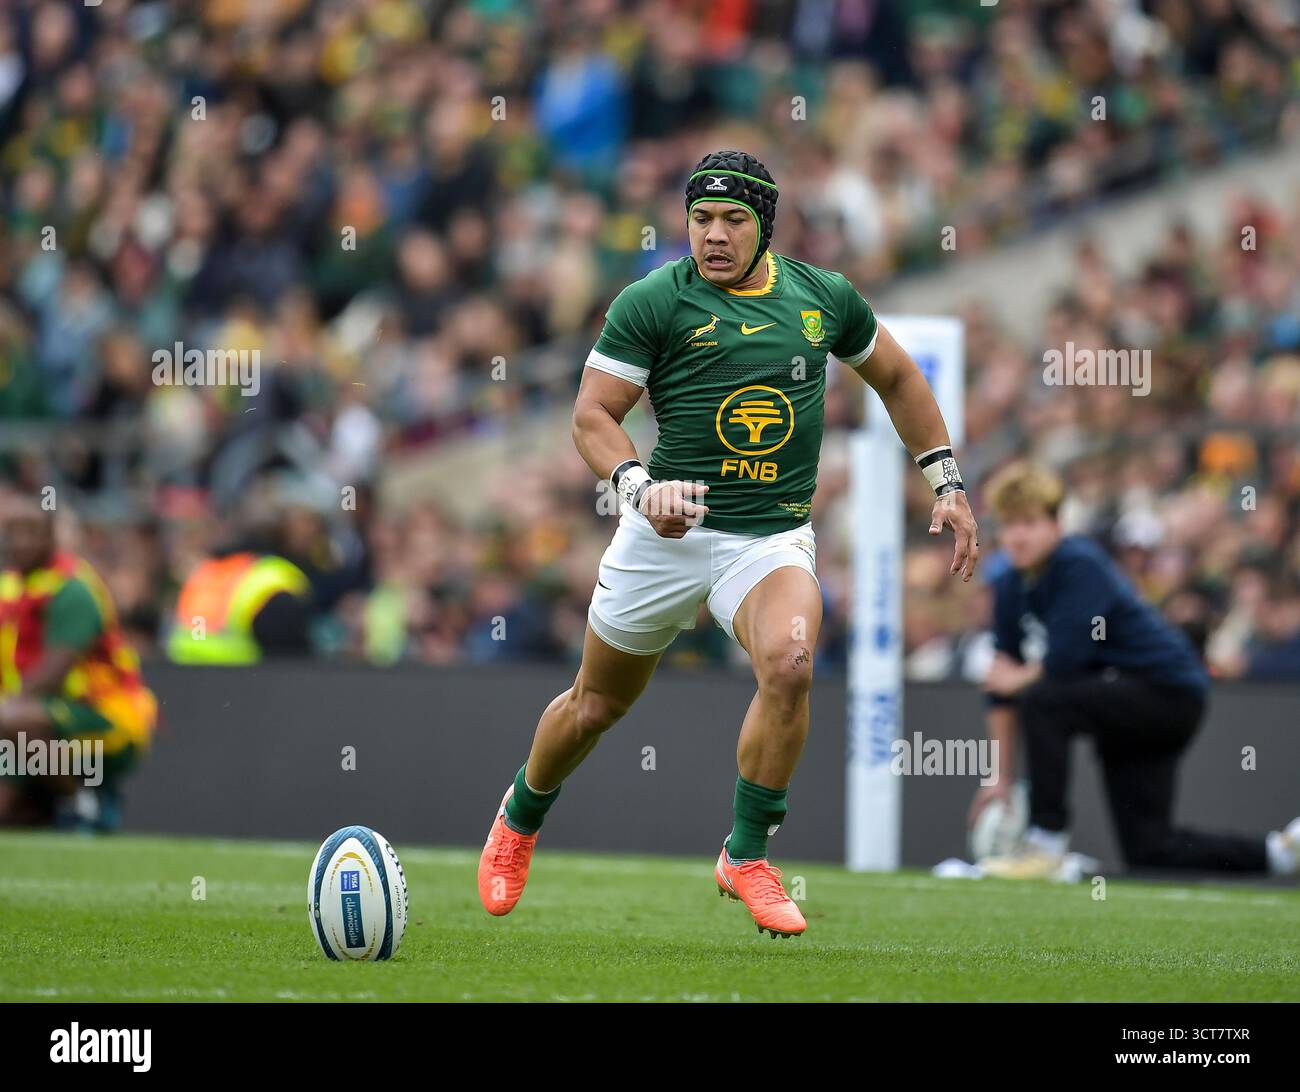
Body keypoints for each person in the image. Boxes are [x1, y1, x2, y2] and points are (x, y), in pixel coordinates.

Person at [476, 150, 979, 937]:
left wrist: (946, 483)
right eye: (701, 218)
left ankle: (746, 855)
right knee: (596, 705)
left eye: (733, 219)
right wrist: (641, 489)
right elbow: (590, 417)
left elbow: (902, 381)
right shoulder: (652, 301)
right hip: (663, 535)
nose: (713, 235)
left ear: (765, 226)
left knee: (791, 661)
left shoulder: (822, 299)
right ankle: (520, 815)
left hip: (767, 536)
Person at [972, 461, 1299, 879]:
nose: (1018, 536)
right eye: (1010, 524)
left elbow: (1059, 664)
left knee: (1043, 699)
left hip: (1168, 693)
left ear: (1056, 524)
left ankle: (1046, 842)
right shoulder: (1007, 583)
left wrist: (1016, 680)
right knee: (1149, 850)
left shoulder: (1078, 563)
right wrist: (999, 777)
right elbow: (1000, 682)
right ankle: (1278, 853)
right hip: (1123, 705)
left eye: (1030, 523)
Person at [0, 494, 157, 829]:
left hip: (106, 715)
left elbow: (48, 678)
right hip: (28, 724)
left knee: (13, 719)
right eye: (12, 531)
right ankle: (44, 804)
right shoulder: (9, 588)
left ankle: (81, 800)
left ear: (52, 536)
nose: (20, 541)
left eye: (31, 531)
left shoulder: (73, 589)